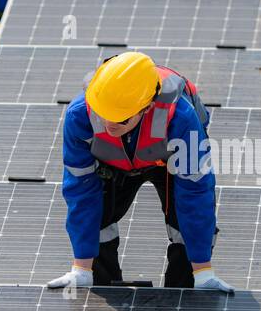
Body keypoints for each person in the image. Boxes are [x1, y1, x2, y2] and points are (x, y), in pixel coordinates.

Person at [47, 51, 235, 293]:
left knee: (183, 222)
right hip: (112, 162)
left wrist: (204, 272)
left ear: (146, 108)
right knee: (98, 216)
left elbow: (196, 192)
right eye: (103, 115)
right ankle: (101, 285)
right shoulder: (79, 115)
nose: (109, 125)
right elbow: (80, 189)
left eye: (121, 119)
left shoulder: (180, 118)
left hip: (166, 161)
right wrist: (81, 269)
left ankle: (185, 290)